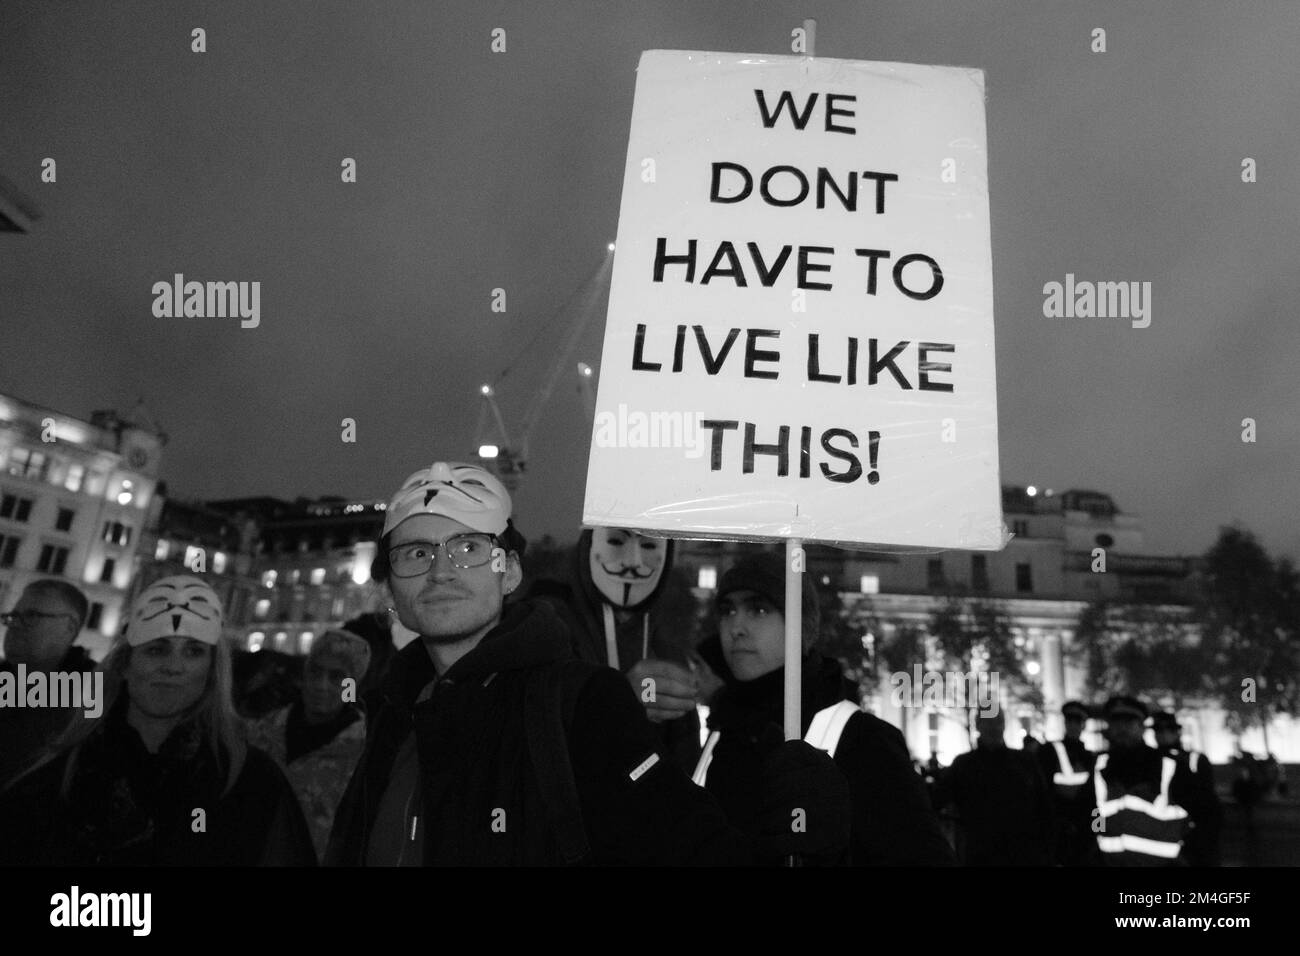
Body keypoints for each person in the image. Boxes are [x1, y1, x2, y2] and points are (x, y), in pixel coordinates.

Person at [324, 461, 849, 866]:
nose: (441, 571)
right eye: (415, 553)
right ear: (390, 588)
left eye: (467, 548)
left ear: (509, 573)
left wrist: (802, 831)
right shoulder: (386, 719)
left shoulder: (583, 704)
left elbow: (689, 846)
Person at [0, 575, 315, 866]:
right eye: (156, 649)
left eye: (193, 651)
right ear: (125, 664)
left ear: (211, 671)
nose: (173, 667)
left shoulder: (252, 783)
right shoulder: (57, 774)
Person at [692, 552, 953, 865]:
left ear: (802, 625)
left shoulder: (865, 740)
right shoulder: (723, 728)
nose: (736, 627)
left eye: (758, 609)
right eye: (727, 610)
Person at [529, 527, 702, 772]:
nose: (632, 562)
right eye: (615, 541)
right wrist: (618, 700)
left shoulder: (667, 645)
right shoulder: (544, 628)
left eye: (649, 546)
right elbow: (532, 726)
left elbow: (683, 761)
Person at [246, 629, 370, 863]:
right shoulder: (261, 733)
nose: (321, 685)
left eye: (336, 677)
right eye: (315, 671)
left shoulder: (365, 752)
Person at [1087, 696, 1215, 867]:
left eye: (1129, 721)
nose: (1122, 728)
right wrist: (1096, 846)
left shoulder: (1168, 766)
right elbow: (1092, 815)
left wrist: (1188, 856)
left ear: (1141, 726)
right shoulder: (1099, 766)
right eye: (1116, 722)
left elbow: (1207, 816)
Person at [0, 579, 97, 787]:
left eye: (31, 616)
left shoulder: (96, 691)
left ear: (70, 627)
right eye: (14, 616)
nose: (15, 625)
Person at [932, 710, 1055, 865]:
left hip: (1013, 852)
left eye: (997, 722)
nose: (994, 728)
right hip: (991, 853)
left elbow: (1044, 808)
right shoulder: (1022, 762)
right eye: (989, 722)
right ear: (978, 726)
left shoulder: (965, 765)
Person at [1151, 711, 1222, 866]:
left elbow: (1207, 803)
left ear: (1177, 732)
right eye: (1158, 731)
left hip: (1191, 834)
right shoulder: (1150, 761)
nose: (1162, 735)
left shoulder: (1194, 760)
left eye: (1168, 730)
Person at [1036, 700, 1097, 866]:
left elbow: (1095, 801)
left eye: (1077, 721)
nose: (1073, 725)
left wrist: (1097, 832)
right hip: (1057, 830)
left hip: (1083, 832)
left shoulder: (1090, 758)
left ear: (1083, 725)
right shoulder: (1049, 752)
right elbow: (1041, 792)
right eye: (1070, 720)